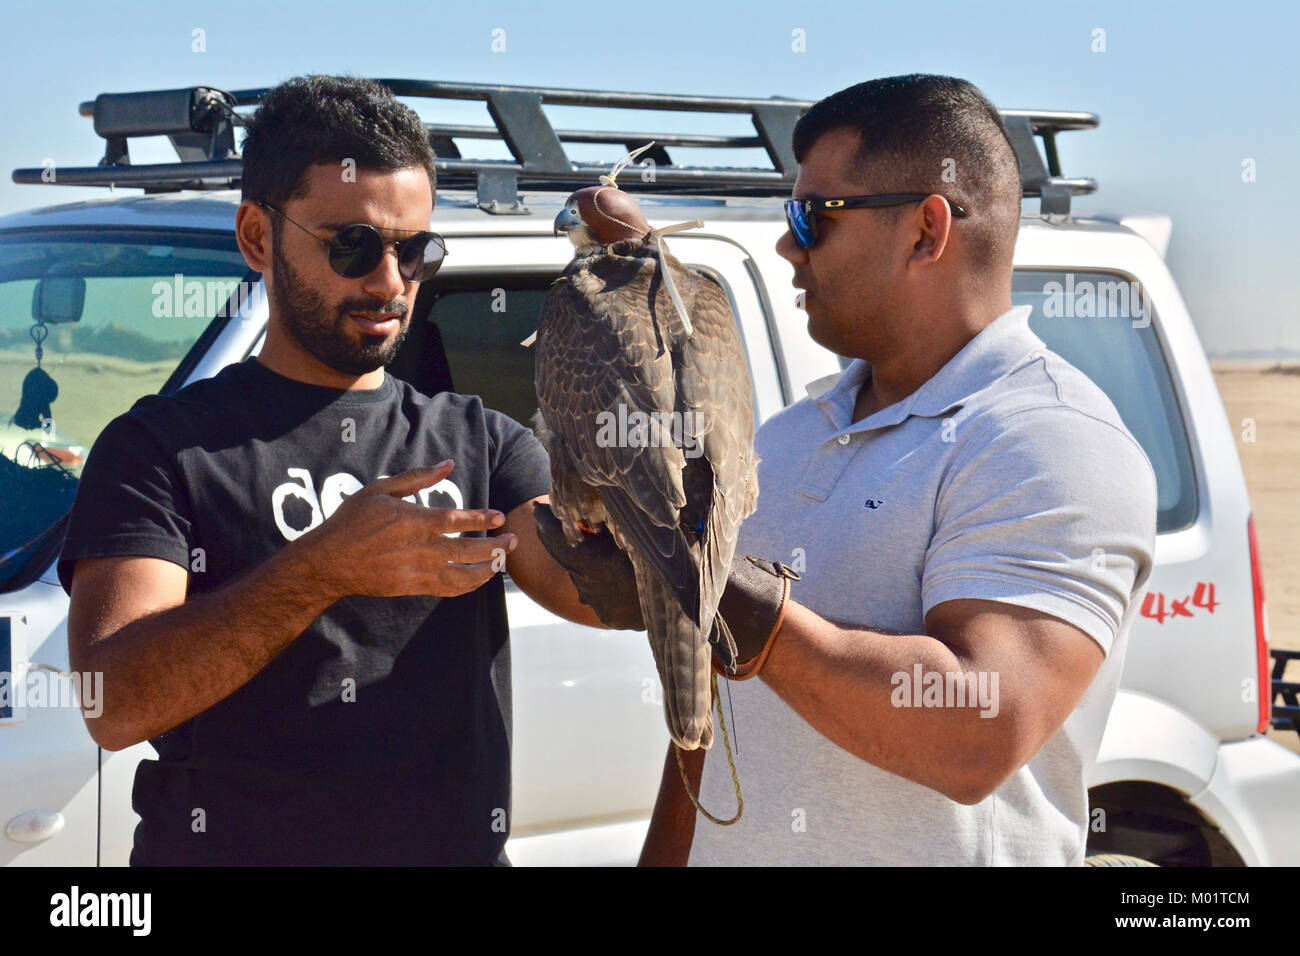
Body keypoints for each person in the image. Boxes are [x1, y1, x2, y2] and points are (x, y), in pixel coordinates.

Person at [59, 74, 606, 866]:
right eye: (351, 246)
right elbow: (113, 705)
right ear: (257, 238)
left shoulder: (482, 443)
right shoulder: (161, 449)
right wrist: (321, 569)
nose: (390, 282)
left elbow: (598, 591)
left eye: (415, 250)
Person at [632, 74, 1158, 865]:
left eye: (812, 215)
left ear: (926, 229)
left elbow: (976, 730)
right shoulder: (785, 438)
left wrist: (726, 596)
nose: (788, 245)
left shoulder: (1050, 439)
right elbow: (716, 721)